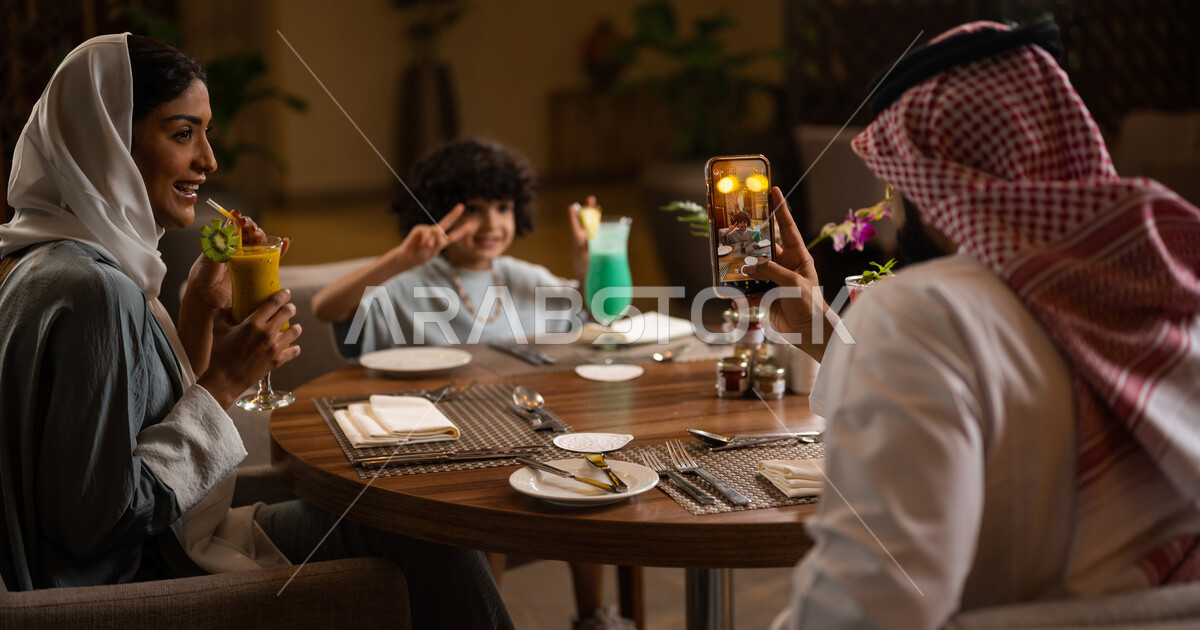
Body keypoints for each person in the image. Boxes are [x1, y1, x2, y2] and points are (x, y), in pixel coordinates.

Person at [0, 34, 512, 628]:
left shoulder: (44, 260)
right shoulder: (93, 289)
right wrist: (227, 380)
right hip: (144, 579)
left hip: (169, 542)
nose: (209, 161)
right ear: (109, 140)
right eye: (183, 132)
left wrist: (194, 310)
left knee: (422, 526)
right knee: (427, 539)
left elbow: (135, 435)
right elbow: (99, 520)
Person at [747, 20, 1200, 629]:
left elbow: (868, 610)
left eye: (899, 180)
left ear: (932, 178)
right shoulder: (1170, 275)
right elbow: (1034, 384)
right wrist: (823, 333)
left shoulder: (921, 313)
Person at [311, 138, 634, 630]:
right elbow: (326, 308)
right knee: (498, 492)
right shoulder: (408, 281)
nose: (492, 225)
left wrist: (585, 268)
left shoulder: (523, 277)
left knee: (587, 465)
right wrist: (400, 258)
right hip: (447, 440)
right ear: (440, 213)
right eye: (475, 210)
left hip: (534, 426)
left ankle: (594, 618)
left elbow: (599, 317)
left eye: (503, 208)